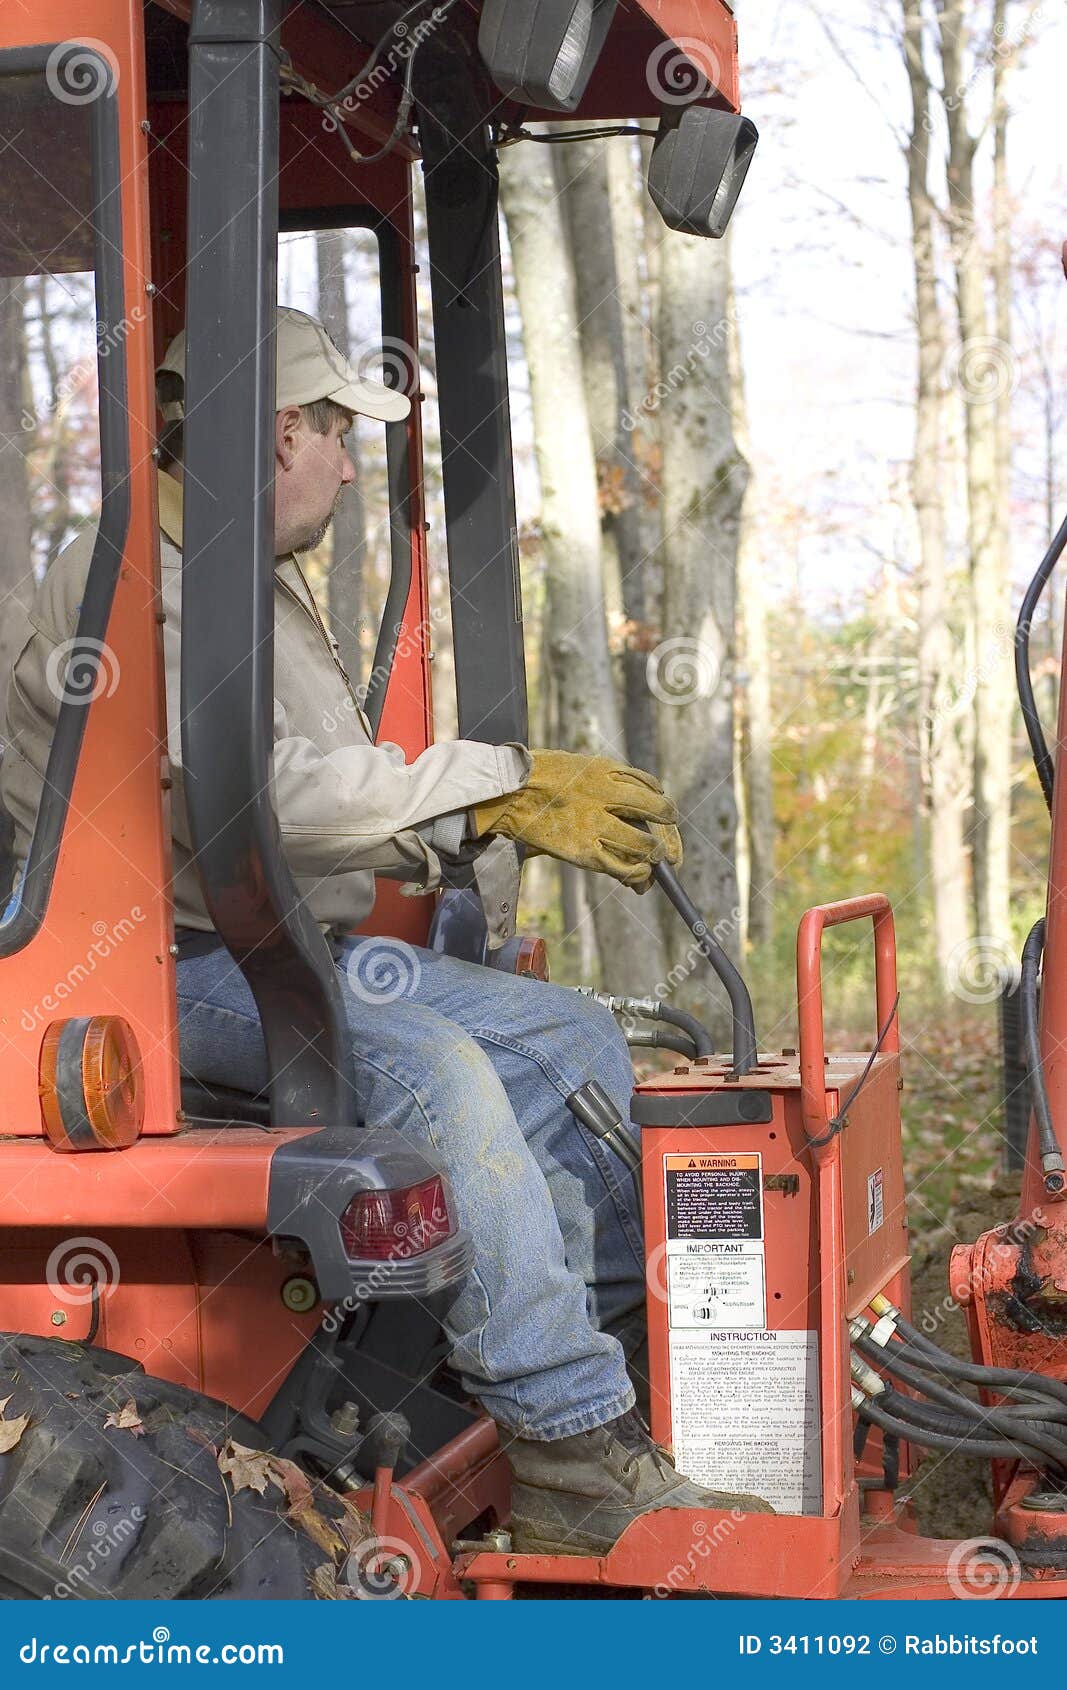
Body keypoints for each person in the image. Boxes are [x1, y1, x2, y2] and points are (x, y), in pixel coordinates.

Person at [0, 307, 768, 1553]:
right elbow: (267, 793)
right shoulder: (131, 585)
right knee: (435, 1069)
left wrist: (468, 820)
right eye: (340, 437)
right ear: (277, 431)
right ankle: (569, 1449)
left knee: (565, 1033)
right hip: (146, 972)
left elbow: (325, 793)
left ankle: (612, 1370)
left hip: (263, 942)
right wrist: (491, 781)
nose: (354, 469)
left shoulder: (243, 575)